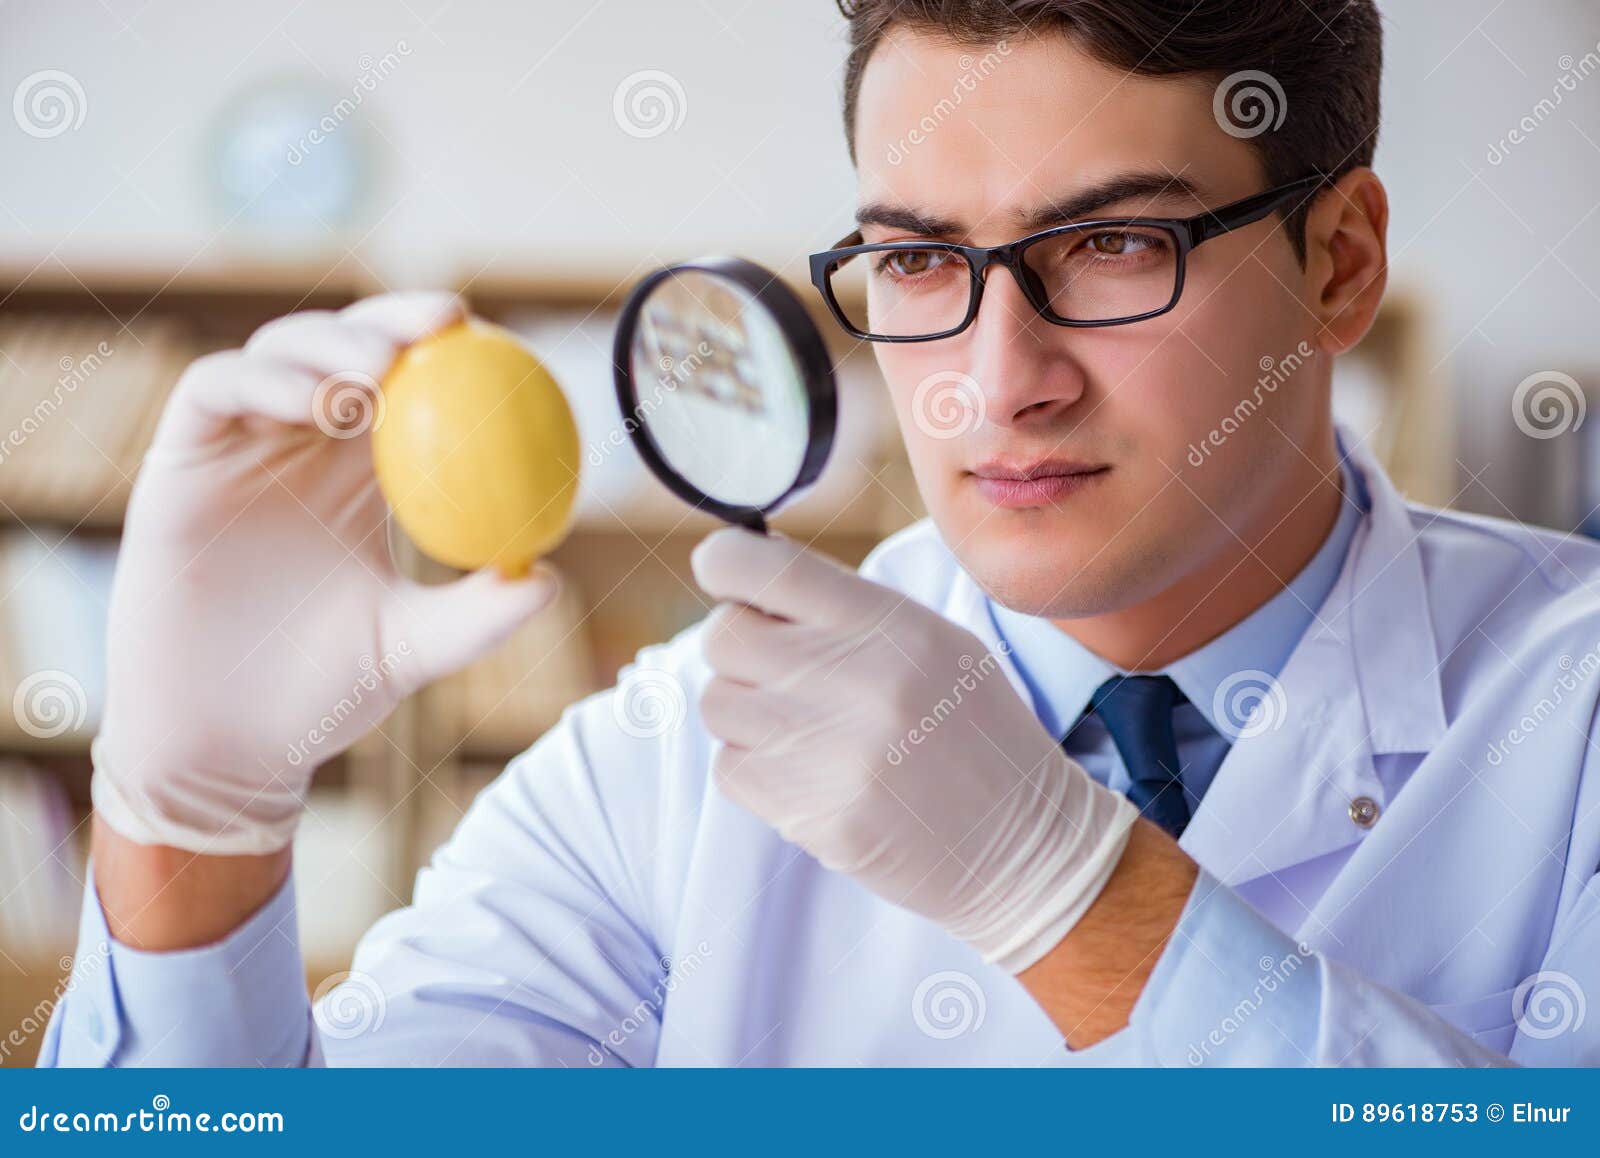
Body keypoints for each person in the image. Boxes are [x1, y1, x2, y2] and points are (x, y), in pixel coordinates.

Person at [40, 0, 1600, 1067]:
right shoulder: (660, 765)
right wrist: (194, 834)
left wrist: (1078, 900)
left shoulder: (1572, 710)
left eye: (1115, 244)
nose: (1001, 381)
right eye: (919, 264)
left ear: (1339, 263)